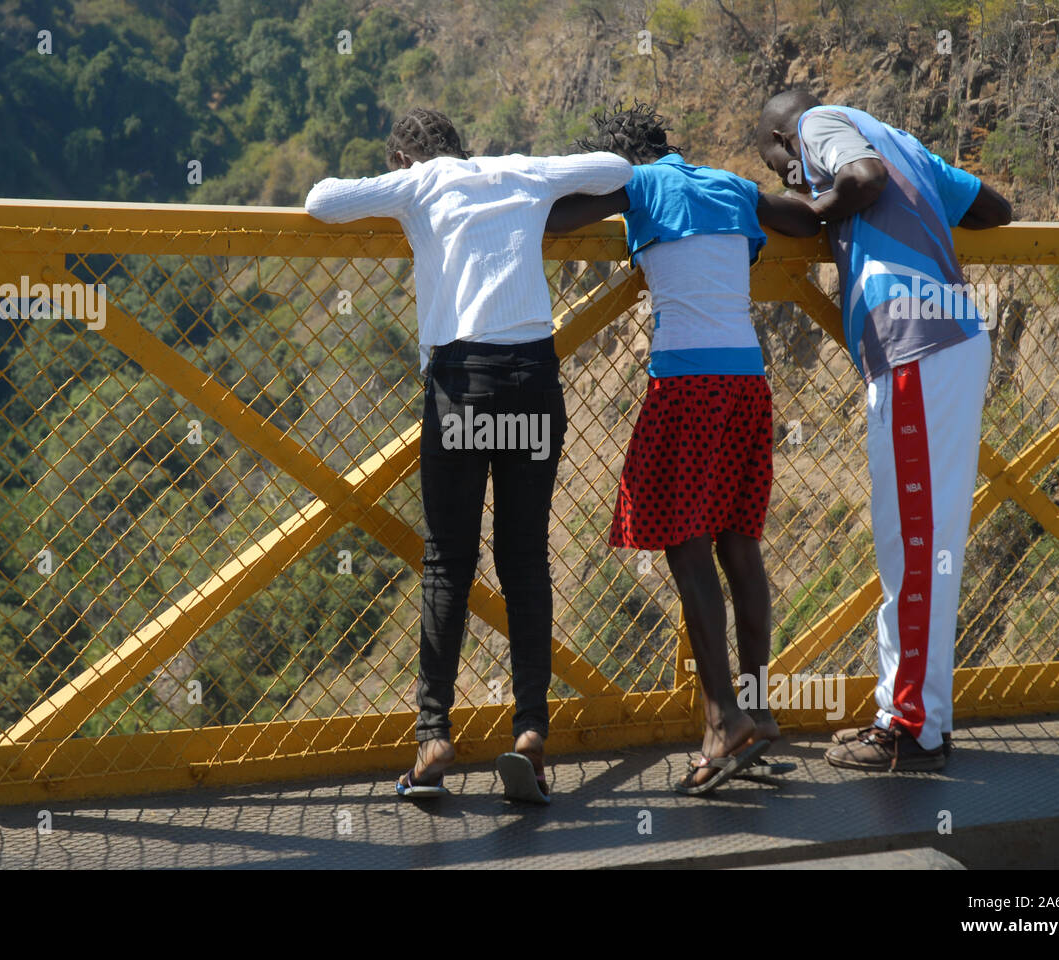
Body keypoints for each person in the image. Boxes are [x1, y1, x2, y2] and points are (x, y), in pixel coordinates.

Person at [304, 107, 633, 802]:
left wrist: (405, 190)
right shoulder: (520, 170)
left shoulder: (419, 184)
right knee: (527, 558)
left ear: (403, 160)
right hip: (535, 385)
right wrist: (541, 188)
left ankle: (432, 739)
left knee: (449, 561)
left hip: (464, 391)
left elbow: (321, 201)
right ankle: (531, 735)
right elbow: (618, 169)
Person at [546, 102, 820, 793]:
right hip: (747, 383)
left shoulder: (635, 186)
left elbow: (552, 219)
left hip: (686, 384)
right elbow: (805, 217)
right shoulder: (730, 187)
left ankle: (723, 718)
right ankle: (757, 707)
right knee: (738, 542)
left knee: (686, 546)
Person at [755, 90, 1013, 771]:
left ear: (785, 136)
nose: (786, 171)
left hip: (915, 350)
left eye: (777, 159)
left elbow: (860, 180)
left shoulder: (818, 125)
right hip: (948, 337)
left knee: (917, 546)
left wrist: (815, 209)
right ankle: (919, 716)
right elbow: (995, 210)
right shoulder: (903, 139)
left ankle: (910, 727)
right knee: (921, 540)